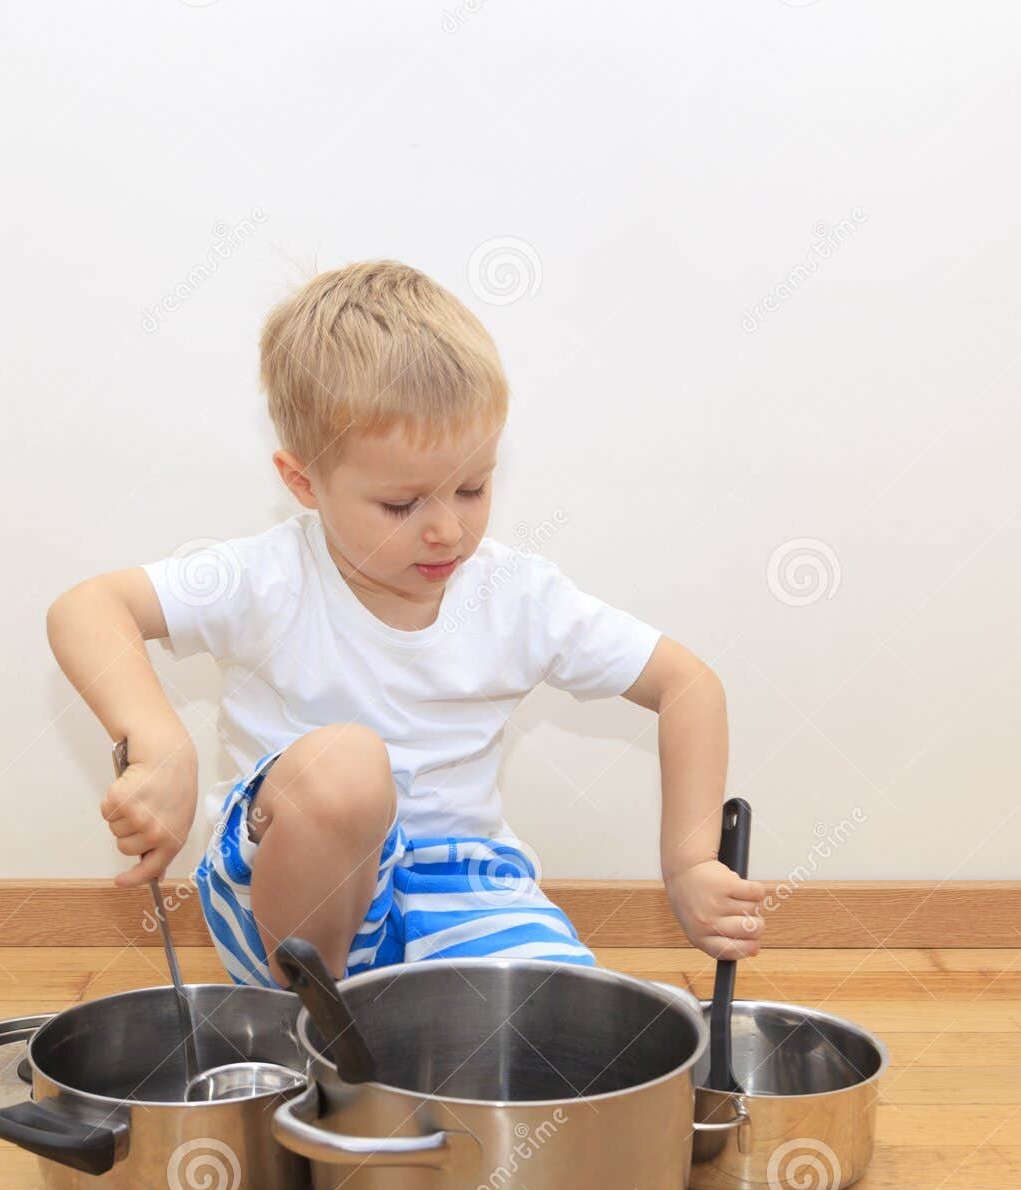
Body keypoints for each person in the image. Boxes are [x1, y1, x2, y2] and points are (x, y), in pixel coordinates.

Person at [46, 259, 766, 987]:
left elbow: (688, 684)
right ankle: (313, 1020)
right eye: (402, 505)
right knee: (350, 769)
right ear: (304, 482)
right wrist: (160, 745)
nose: (448, 530)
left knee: (573, 1032)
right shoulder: (265, 577)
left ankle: (390, 1048)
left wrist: (690, 862)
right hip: (285, 894)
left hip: (464, 887)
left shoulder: (515, 595)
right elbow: (87, 609)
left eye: (473, 488)